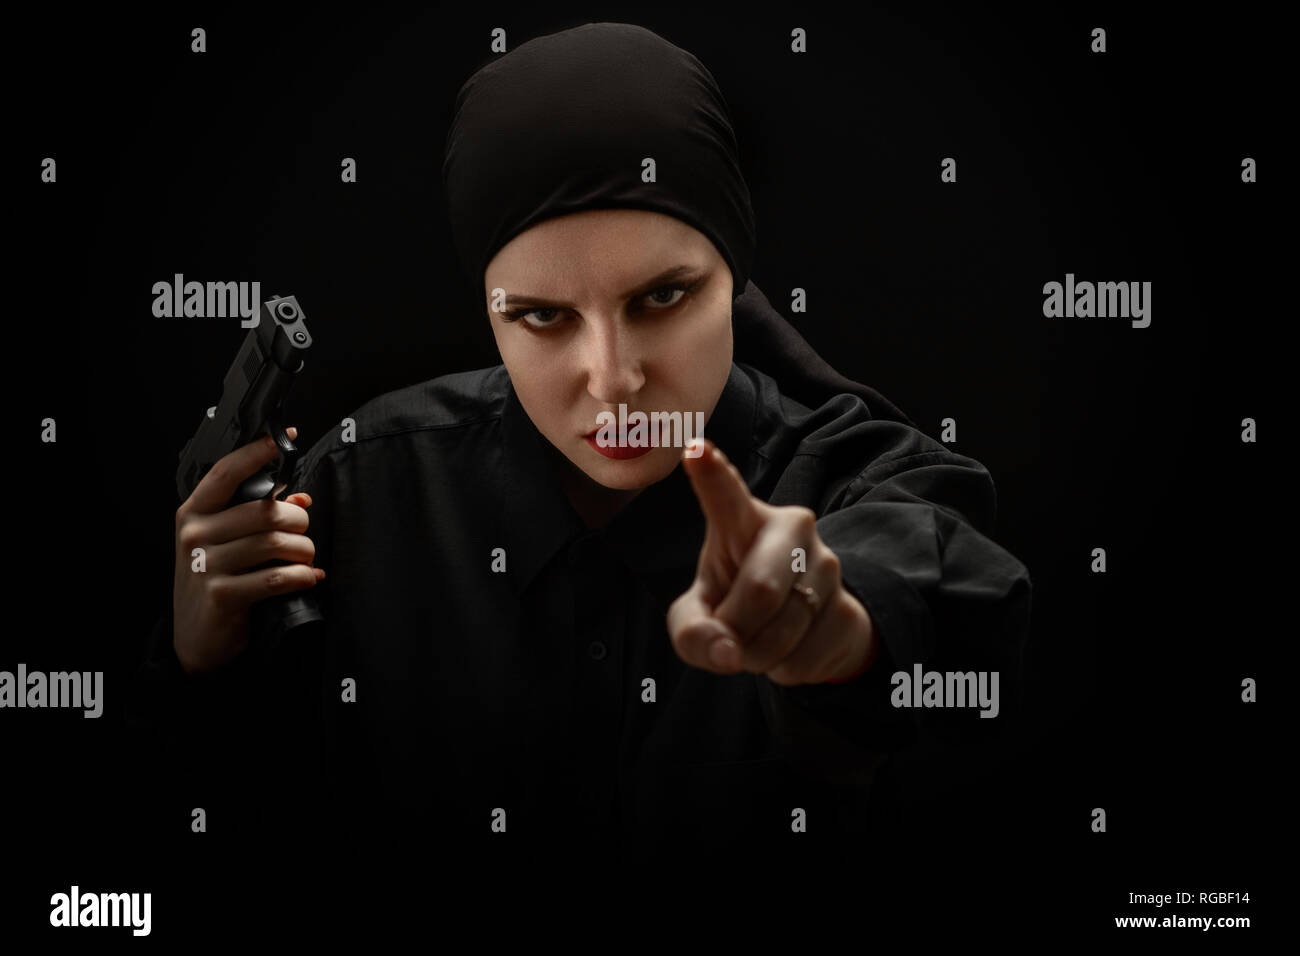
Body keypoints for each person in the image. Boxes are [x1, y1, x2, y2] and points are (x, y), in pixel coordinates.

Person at [131, 22, 1031, 869]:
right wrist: (197, 664)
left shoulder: (854, 476)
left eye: (662, 298)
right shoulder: (359, 488)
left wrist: (839, 637)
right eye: (542, 317)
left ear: (739, 280)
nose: (612, 379)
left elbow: (936, 573)